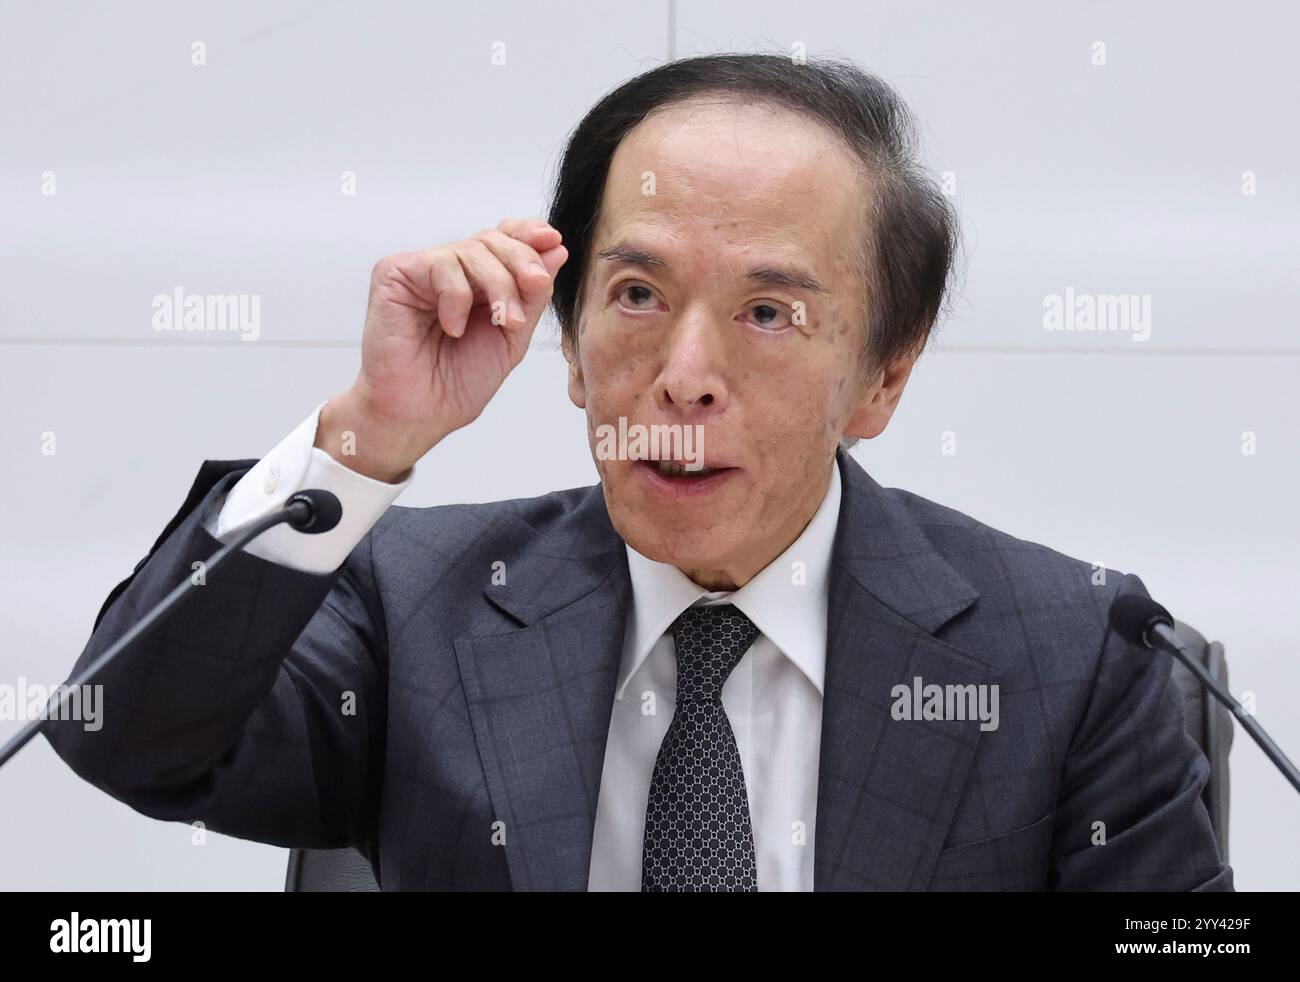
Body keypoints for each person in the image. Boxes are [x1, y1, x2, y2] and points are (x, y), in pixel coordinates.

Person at [45, 53, 1231, 891]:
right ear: (566, 342)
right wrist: (365, 439)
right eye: (636, 296)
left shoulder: (1073, 655)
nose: (684, 373)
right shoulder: (410, 603)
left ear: (881, 380)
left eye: (768, 310)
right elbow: (131, 738)